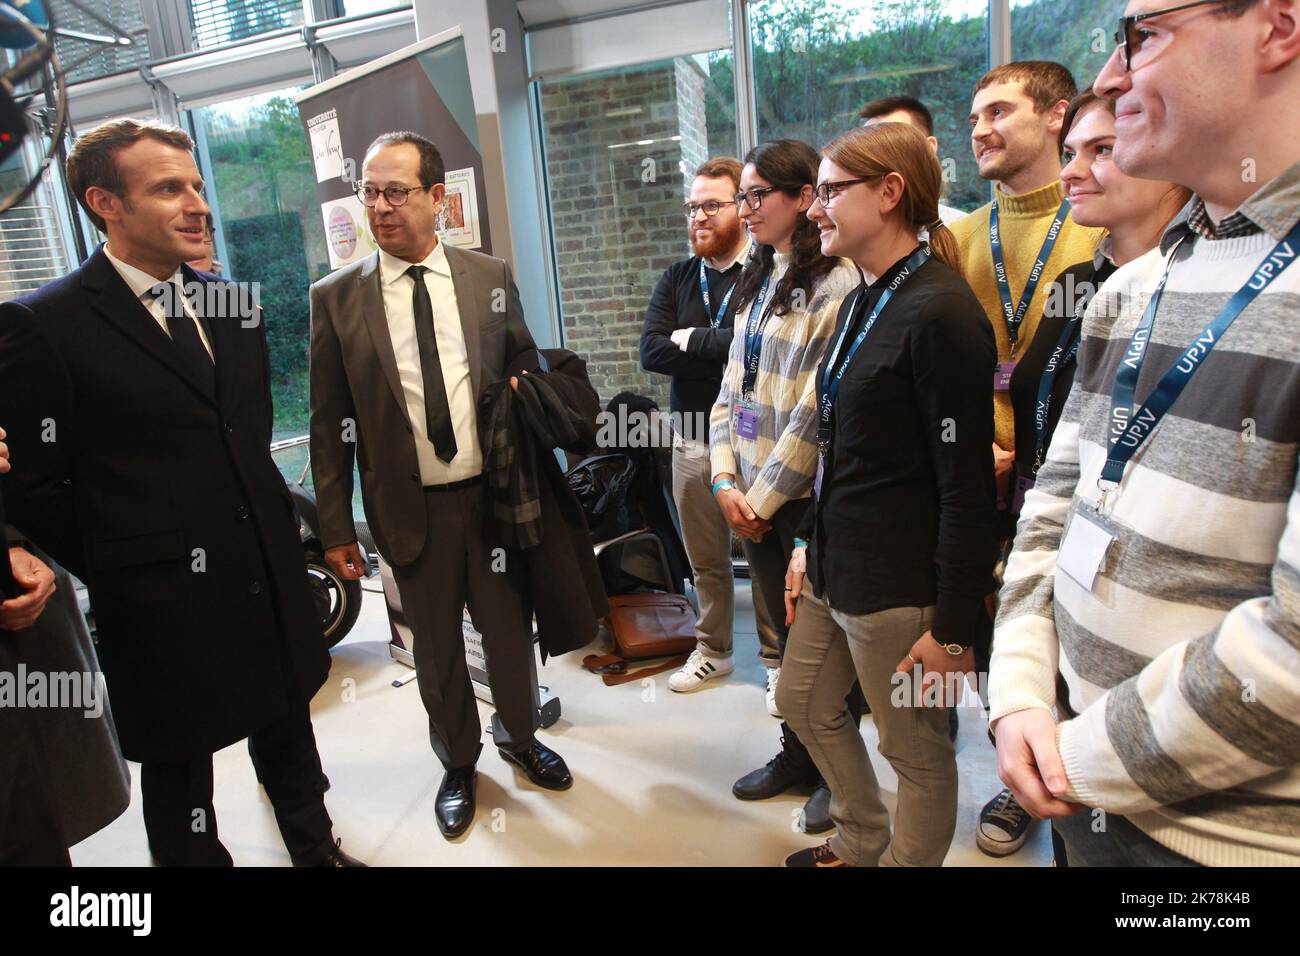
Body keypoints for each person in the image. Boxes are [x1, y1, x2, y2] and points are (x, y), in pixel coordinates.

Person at [0, 119, 360, 867]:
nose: (197, 204)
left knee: (290, 733)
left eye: (196, 186)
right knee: (181, 776)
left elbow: (244, 440)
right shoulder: (45, 322)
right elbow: (35, 486)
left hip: (263, 574)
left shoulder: (234, 303)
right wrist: (127, 561)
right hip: (158, 601)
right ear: (106, 202)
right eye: (169, 188)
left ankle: (315, 852)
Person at [990, 0, 1300, 866]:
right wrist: (1019, 693)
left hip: (1224, 841)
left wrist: (1076, 758)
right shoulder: (1137, 286)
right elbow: (1053, 506)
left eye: (1143, 36)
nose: (1114, 76)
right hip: (1083, 793)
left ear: (1277, 26)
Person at [309, 131, 575, 842]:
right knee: (435, 650)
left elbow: (520, 360)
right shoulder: (335, 299)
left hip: (492, 499)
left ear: (438, 199)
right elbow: (327, 422)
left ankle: (520, 736)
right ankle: (459, 762)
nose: (380, 206)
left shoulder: (487, 277)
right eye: (369, 191)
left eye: (396, 190)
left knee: (509, 635)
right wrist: (337, 529)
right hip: (407, 508)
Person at [977, 90, 1192, 859]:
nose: (1076, 171)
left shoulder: (1208, 294)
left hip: (1156, 688)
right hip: (1063, 586)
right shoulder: (1091, 287)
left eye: (1102, 150)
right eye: (1072, 152)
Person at [777, 122, 998, 867]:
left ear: (891, 193)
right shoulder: (859, 301)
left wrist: (955, 630)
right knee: (801, 701)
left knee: (917, 752)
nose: (815, 209)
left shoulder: (941, 313)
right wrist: (806, 543)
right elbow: (838, 446)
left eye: (832, 191)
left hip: (901, 591)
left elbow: (966, 488)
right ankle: (862, 835)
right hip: (835, 568)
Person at [952, 60, 1106, 853]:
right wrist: (981, 443)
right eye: (974, 115)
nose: (979, 128)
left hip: (1071, 467)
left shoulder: (1105, 221)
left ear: (1057, 116)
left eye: (1000, 111)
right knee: (995, 619)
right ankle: (1014, 775)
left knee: (1069, 618)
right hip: (981, 465)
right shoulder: (958, 238)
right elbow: (944, 361)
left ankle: (1075, 783)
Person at [708, 139, 860, 832]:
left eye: (758, 194)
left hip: (800, 498)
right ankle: (797, 756)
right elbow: (727, 389)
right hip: (748, 493)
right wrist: (721, 478)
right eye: (742, 195)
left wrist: (759, 501)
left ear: (805, 198)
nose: (747, 207)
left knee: (820, 652)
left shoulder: (838, 284)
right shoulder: (758, 277)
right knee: (783, 644)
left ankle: (839, 775)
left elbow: (813, 412)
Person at [639, 157, 784, 696]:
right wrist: (720, 344)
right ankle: (713, 650)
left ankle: (776, 660)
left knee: (764, 555)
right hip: (693, 439)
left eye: (711, 205)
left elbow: (765, 348)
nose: (697, 216)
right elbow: (650, 350)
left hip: (758, 445)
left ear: (742, 209)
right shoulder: (678, 276)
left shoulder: (769, 272)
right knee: (707, 562)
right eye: (691, 207)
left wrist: (691, 339)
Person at [858, 94, 966, 224]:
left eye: (892, 141)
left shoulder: (962, 230)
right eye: (868, 146)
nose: (877, 156)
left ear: (928, 148)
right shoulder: (851, 233)